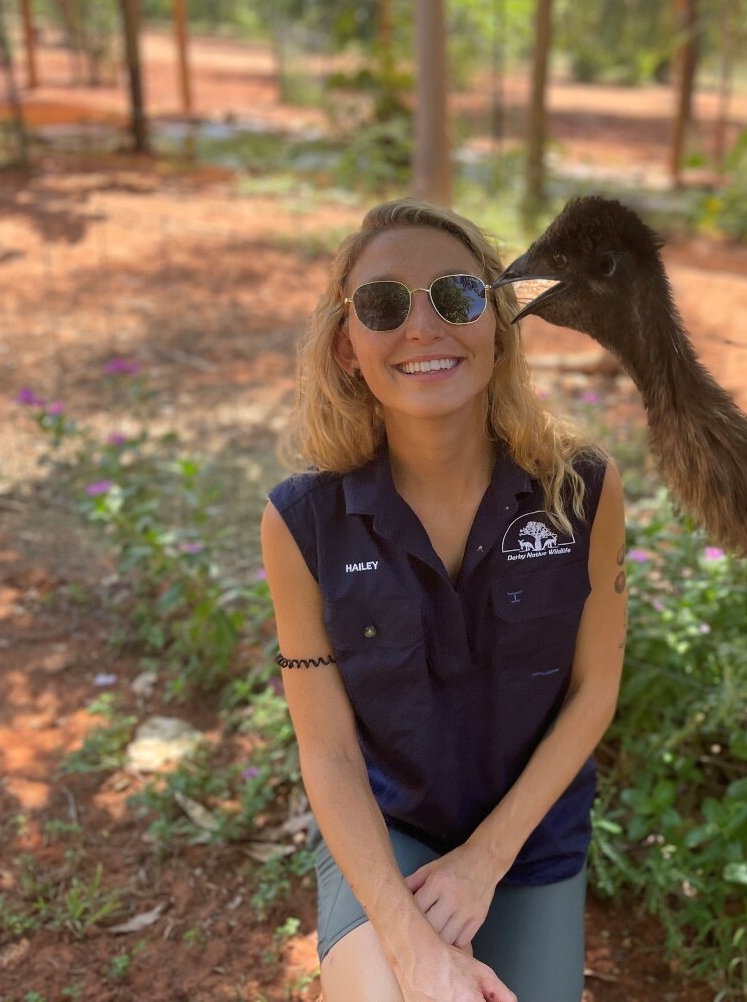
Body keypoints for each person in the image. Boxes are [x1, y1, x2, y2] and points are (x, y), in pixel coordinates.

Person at [260, 198, 627, 1002]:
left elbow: (594, 688)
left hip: (528, 842)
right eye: (384, 304)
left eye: (455, 296)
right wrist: (410, 942)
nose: (422, 328)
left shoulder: (582, 490)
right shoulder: (301, 524)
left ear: (496, 327)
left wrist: (485, 859)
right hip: (387, 837)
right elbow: (326, 753)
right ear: (347, 346)